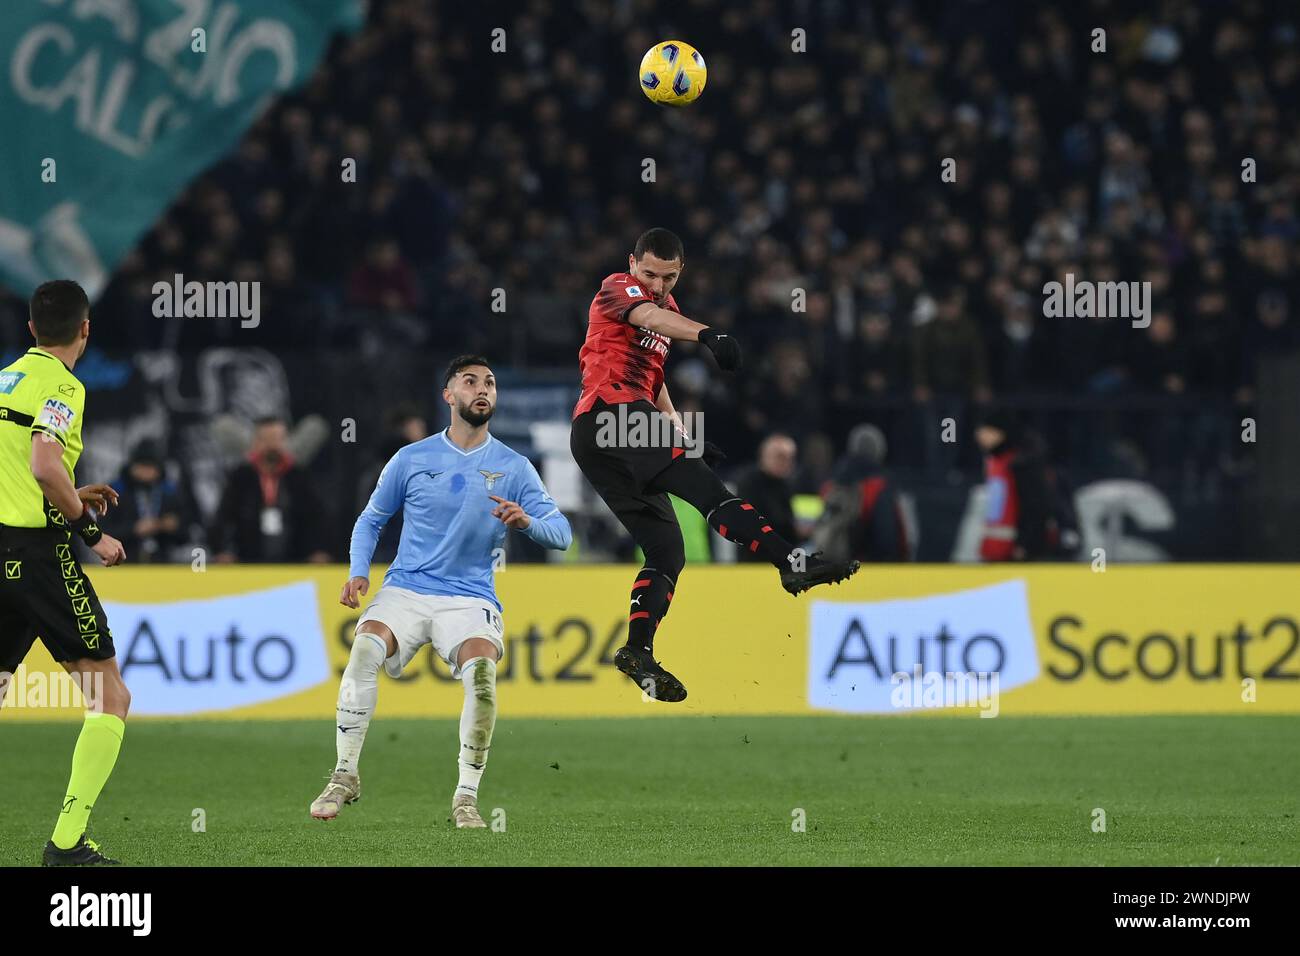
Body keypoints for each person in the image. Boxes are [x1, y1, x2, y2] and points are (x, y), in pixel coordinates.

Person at [568, 227, 860, 703]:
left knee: (667, 552)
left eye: (668, 277)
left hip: (606, 436)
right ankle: (791, 561)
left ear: (681, 272)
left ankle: (637, 650)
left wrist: (685, 438)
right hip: (610, 415)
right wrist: (708, 335)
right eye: (650, 273)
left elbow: (655, 383)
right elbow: (647, 316)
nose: (658, 286)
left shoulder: (667, 312)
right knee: (713, 496)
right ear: (632, 264)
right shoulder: (619, 287)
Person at [312, 356, 571, 828]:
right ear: (448, 395)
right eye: (470, 381)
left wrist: (528, 521)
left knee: (483, 683)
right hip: (407, 588)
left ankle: (465, 798)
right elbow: (371, 519)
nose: (482, 389)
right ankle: (344, 773)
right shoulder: (411, 458)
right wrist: (358, 571)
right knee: (364, 651)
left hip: (471, 597)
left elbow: (562, 534)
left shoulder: (514, 467)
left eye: (490, 383)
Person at [0, 280, 129, 865]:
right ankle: (68, 844)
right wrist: (90, 531)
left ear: (30, 329)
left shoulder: (6, 378)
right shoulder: (62, 386)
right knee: (110, 697)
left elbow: (22, 477)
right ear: (85, 330)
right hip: (38, 556)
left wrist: (68, 493)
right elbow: (43, 463)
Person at [210, 416, 331, 563]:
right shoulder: (241, 477)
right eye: (267, 439)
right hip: (247, 562)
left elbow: (315, 518)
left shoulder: (298, 477)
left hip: (295, 562)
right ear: (255, 442)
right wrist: (223, 550)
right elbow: (224, 518)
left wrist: (318, 550)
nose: (273, 446)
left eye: (278, 439)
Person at [812, 424, 910, 562]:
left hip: (833, 565)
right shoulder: (879, 487)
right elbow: (886, 538)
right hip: (869, 568)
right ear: (880, 451)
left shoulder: (831, 485)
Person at [109, 440, 190, 563]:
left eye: (151, 466)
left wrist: (171, 526)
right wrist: (134, 529)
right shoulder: (116, 491)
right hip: (123, 563)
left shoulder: (169, 492)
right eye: (142, 465)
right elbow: (104, 530)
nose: (146, 471)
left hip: (164, 562)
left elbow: (187, 531)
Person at [733, 434, 798, 562]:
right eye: (780, 457)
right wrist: (793, 528)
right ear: (764, 455)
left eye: (790, 458)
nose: (786, 462)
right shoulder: (749, 483)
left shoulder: (786, 485)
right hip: (754, 561)